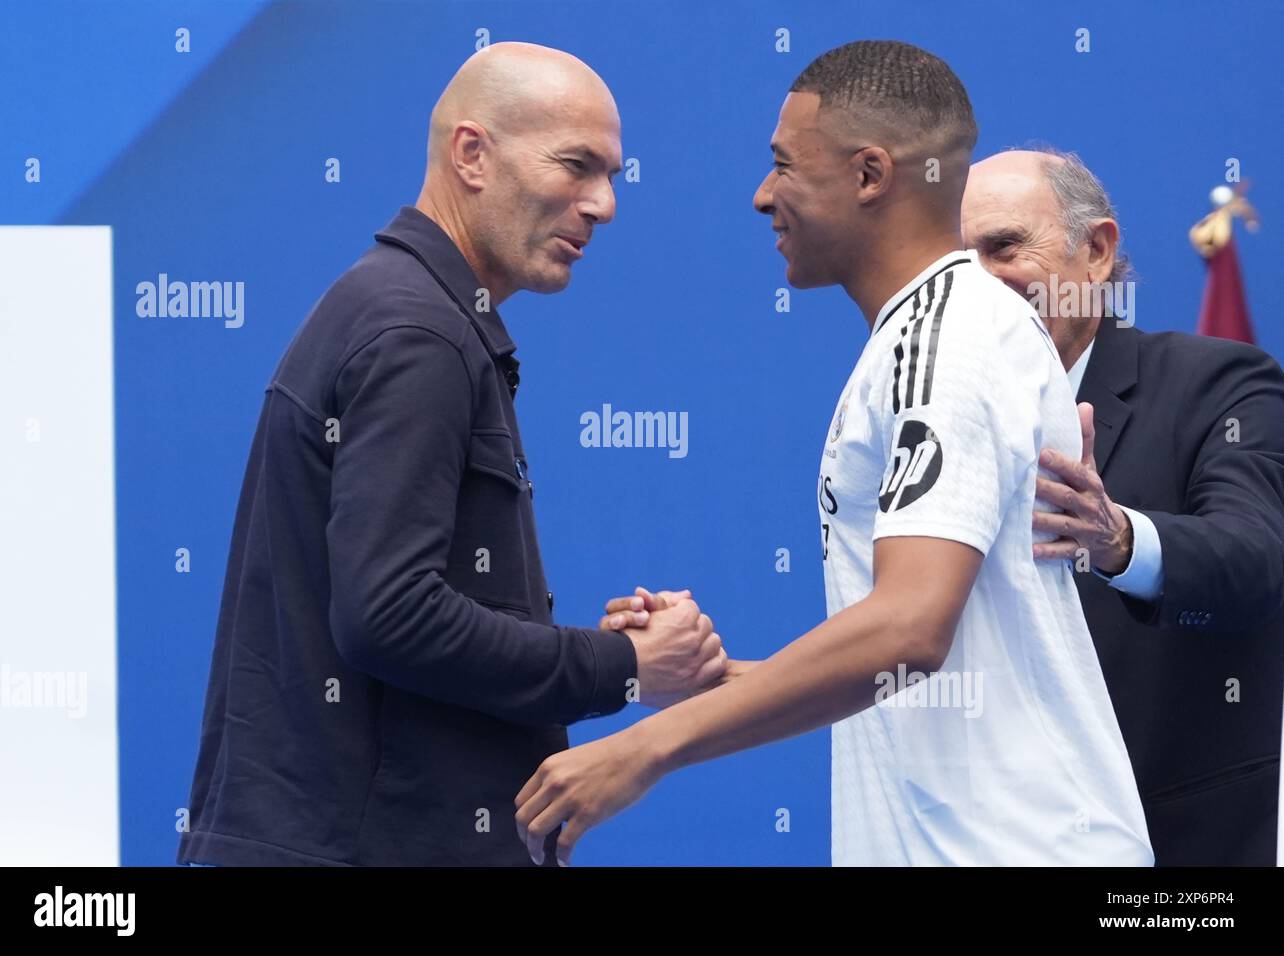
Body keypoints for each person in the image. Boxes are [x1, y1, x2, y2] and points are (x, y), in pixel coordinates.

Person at [513, 40, 1153, 866]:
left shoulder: (947, 338)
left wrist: (648, 749)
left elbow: (910, 629)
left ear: (869, 175)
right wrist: (718, 679)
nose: (761, 195)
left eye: (784, 164)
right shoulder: (929, 336)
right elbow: (930, 666)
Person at [178, 42, 724, 867]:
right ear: (472, 153)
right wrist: (620, 663)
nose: (604, 204)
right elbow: (390, 614)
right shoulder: (420, 333)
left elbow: (393, 604)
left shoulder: (406, 312)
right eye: (577, 165)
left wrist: (607, 652)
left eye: (612, 174)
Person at [961, 148, 1284, 864]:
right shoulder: (942, 431)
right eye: (959, 263)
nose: (978, 282)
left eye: (1004, 247)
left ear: (1097, 251)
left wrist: (1121, 542)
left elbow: (1258, 559)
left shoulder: (1217, 385)